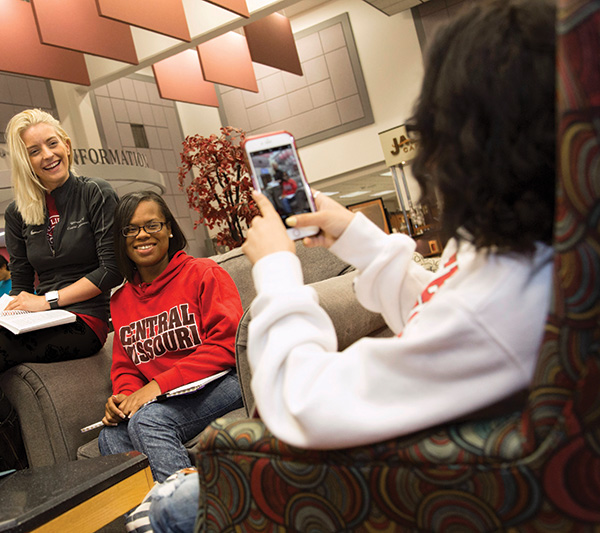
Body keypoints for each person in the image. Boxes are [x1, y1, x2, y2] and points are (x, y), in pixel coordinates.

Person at [146, 0, 556, 530]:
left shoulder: (504, 297)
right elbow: (443, 312)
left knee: (170, 504)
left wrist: (276, 272)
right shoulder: (530, 252)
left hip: (409, 484)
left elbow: (301, 404)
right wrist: (357, 238)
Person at [0, 108, 123, 475]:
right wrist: (0, 316)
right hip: (41, 319)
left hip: (84, 320)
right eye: (33, 150)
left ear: (68, 146)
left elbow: (110, 269)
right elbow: (22, 280)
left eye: (52, 144)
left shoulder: (96, 193)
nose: (47, 155)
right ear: (23, 160)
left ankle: (19, 467)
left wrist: (48, 301)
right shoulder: (18, 212)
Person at [97, 191, 244, 483]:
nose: (142, 235)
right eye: (131, 229)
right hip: (164, 397)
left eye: (152, 225)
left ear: (169, 229)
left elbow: (227, 345)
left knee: (149, 421)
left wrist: (156, 386)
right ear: (121, 239)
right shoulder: (120, 301)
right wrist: (125, 396)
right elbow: (126, 367)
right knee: (110, 436)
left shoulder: (204, 273)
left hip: (223, 382)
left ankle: (189, 515)